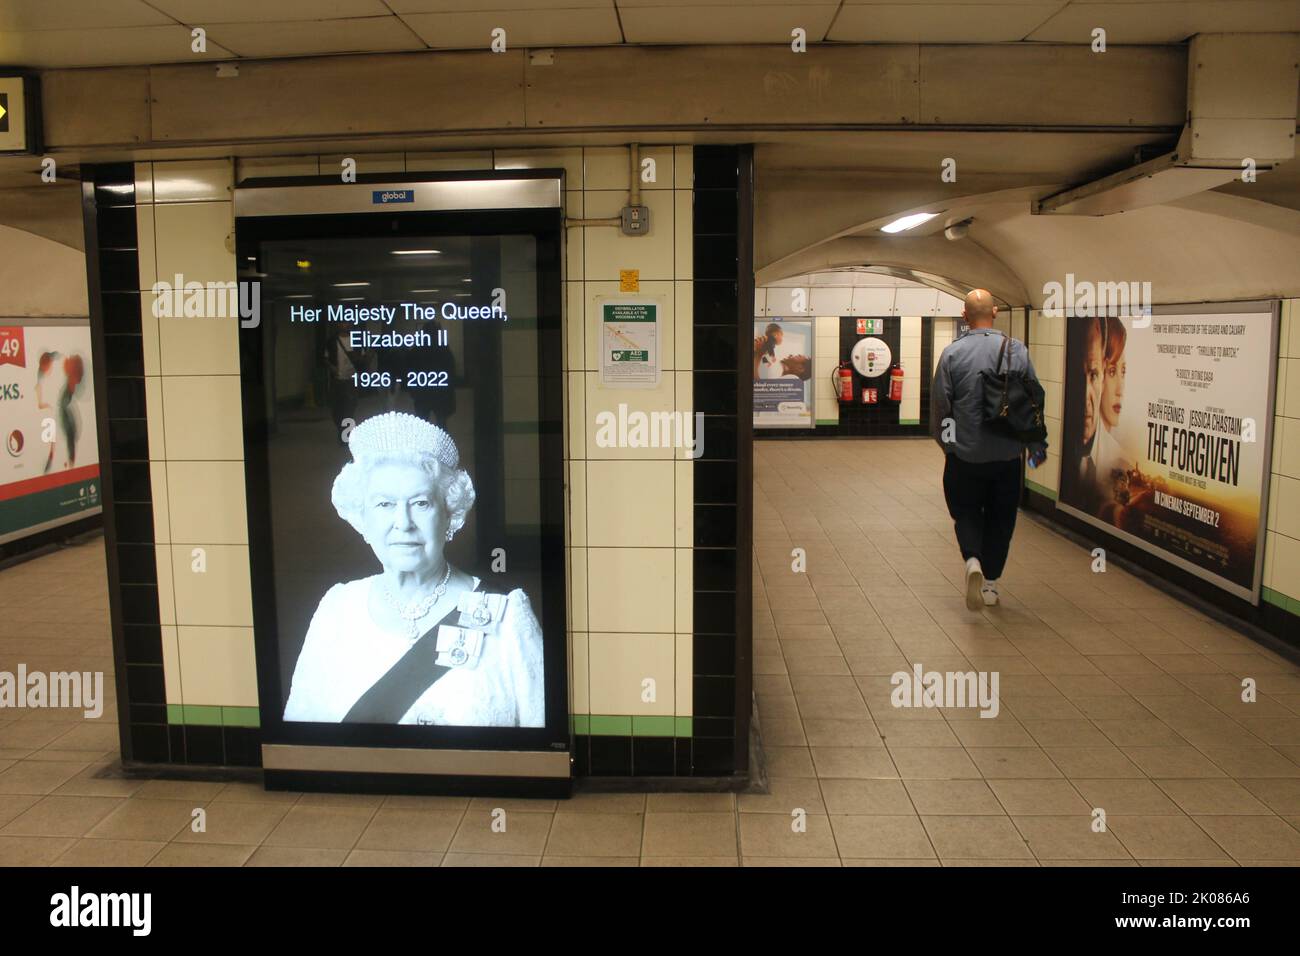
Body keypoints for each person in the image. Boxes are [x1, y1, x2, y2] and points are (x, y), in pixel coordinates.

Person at [283, 411, 545, 726]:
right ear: (362, 519)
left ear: (449, 514)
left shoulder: (506, 614)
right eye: (385, 504)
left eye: (420, 503)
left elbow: (539, 749)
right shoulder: (337, 608)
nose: (403, 523)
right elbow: (302, 744)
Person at [931, 290, 1048, 610]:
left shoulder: (952, 354)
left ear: (965, 316)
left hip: (965, 456)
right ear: (995, 312)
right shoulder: (1017, 351)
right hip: (1007, 457)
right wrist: (1035, 445)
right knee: (1001, 519)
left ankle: (972, 561)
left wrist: (950, 447)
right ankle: (991, 585)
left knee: (966, 512)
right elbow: (1033, 401)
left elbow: (942, 408)